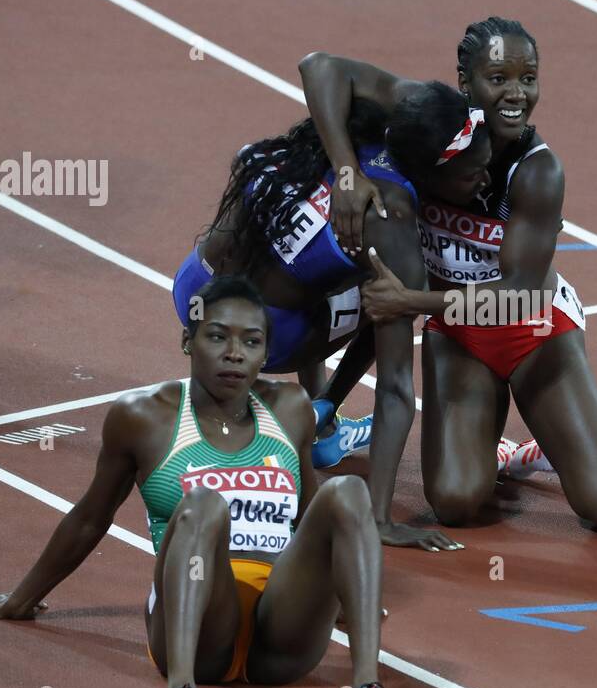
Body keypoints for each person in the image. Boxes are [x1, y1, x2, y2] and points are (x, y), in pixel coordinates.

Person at [0, 277, 399, 688]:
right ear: (187, 340)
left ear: (266, 354)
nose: (234, 353)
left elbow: (310, 516)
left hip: (279, 630)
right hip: (199, 630)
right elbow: (90, 518)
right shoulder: (144, 416)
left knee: (347, 492)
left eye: (251, 342)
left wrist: (344, 597)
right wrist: (20, 600)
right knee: (203, 505)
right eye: (218, 336)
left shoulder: (291, 408)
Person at [300, 17, 597, 536]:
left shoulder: (538, 171)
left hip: (536, 332)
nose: (516, 94)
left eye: (529, 78)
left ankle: (540, 437)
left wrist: (412, 302)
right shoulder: (428, 119)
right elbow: (321, 69)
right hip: (459, 339)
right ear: (465, 82)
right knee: (456, 504)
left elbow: (520, 297)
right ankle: (494, 449)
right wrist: (347, 172)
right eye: (498, 77)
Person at [177, 99, 480, 552]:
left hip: (194, 286)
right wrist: (380, 518)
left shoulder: (344, 134)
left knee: (316, 266)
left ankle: (315, 418)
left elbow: (317, 68)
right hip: (264, 337)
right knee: (388, 293)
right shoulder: (391, 220)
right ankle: (323, 416)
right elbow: (396, 388)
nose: (485, 183)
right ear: (433, 173)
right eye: (474, 174)